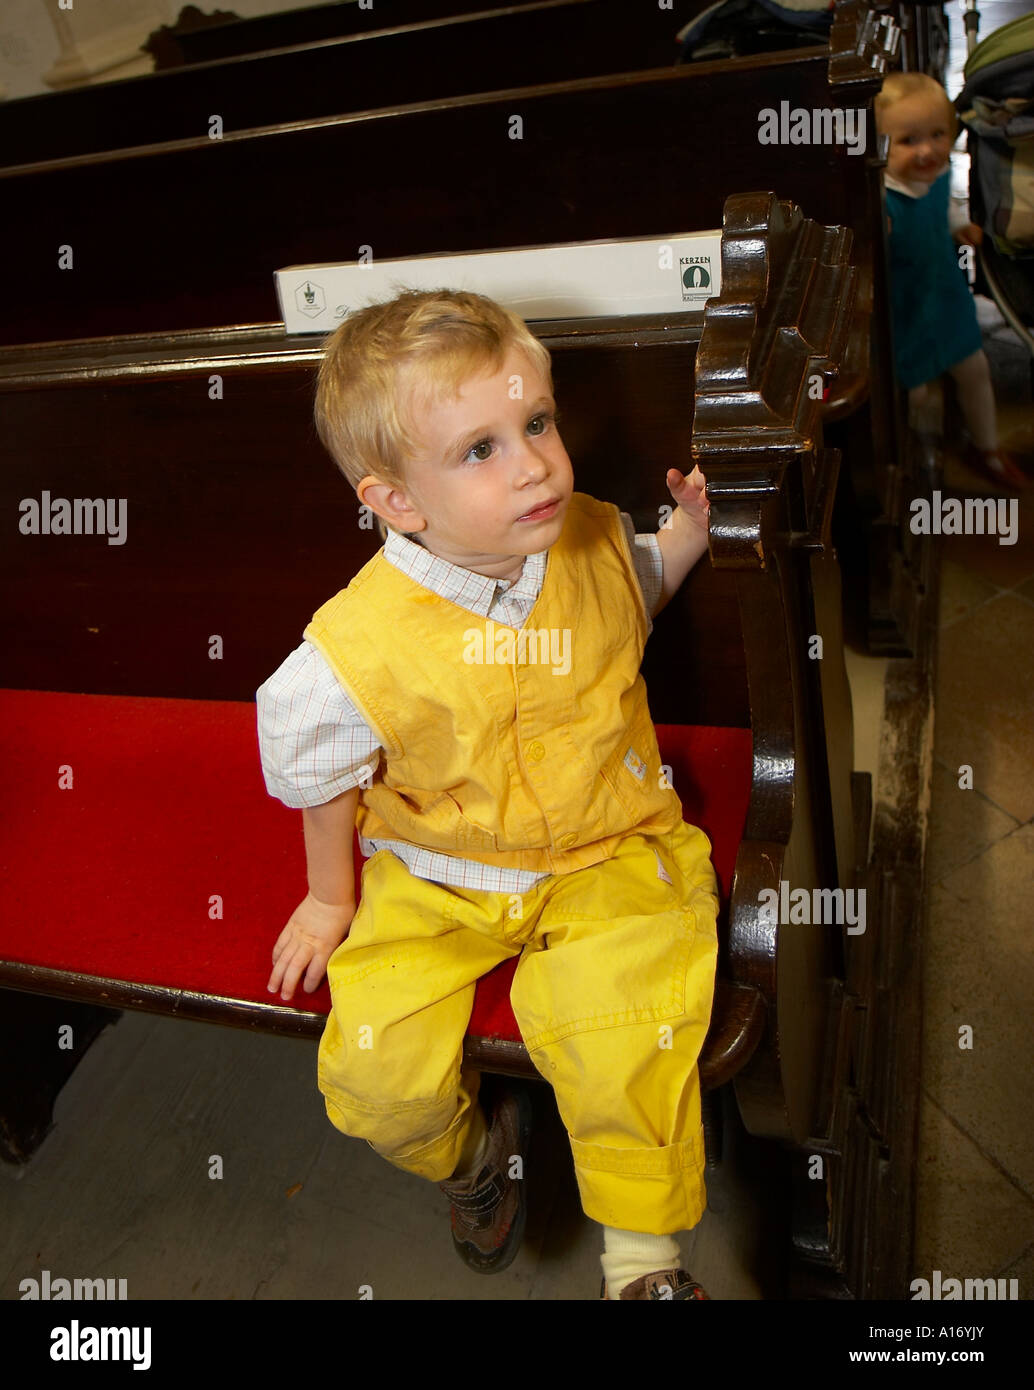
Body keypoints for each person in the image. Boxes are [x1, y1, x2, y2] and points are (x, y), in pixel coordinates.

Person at [256, 288, 720, 1300]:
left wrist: (684, 537)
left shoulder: (589, 537)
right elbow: (319, 772)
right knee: (374, 1074)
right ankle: (472, 1160)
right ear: (395, 501)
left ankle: (643, 1262)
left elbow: (634, 587)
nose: (534, 463)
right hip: (437, 868)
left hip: (604, 844)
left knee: (624, 1025)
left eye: (537, 423)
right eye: (481, 448)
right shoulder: (358, 643)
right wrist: (333, 896)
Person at [875, 71, 1027, 490]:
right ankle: (922, 450)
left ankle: (987, 446)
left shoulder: (938, 176)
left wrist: (959, 224)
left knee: (975, 367)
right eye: (908, 141)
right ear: (880, 145)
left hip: (946, 297)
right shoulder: (883, 199)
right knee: (919, 392)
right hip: (908, 311)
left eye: (938, 134)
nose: (927, 151)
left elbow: (943, 208)